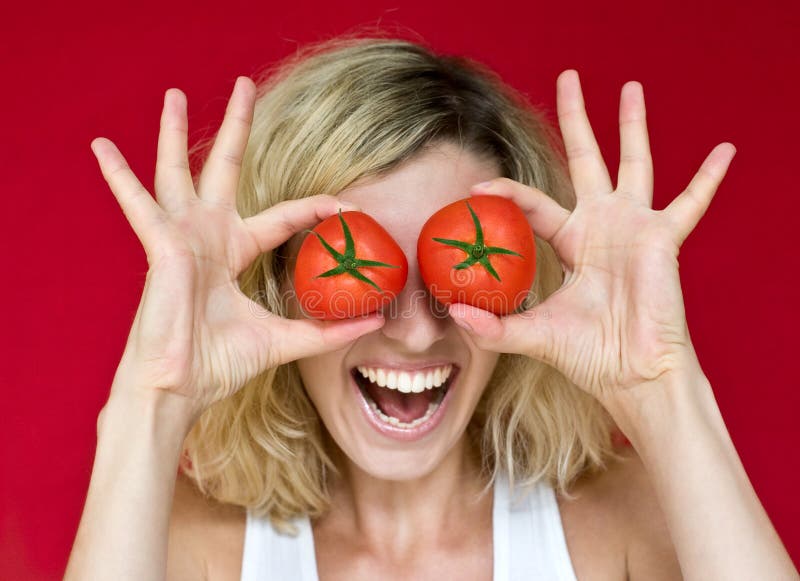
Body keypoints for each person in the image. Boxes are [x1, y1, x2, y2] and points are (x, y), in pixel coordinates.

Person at [64, 34, 798, 580]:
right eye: (357, 268)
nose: (416, 331)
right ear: (277, 284)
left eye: (463, 271)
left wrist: (665, 391)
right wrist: (151, 398)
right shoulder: (189, 545)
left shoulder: (621, 523)